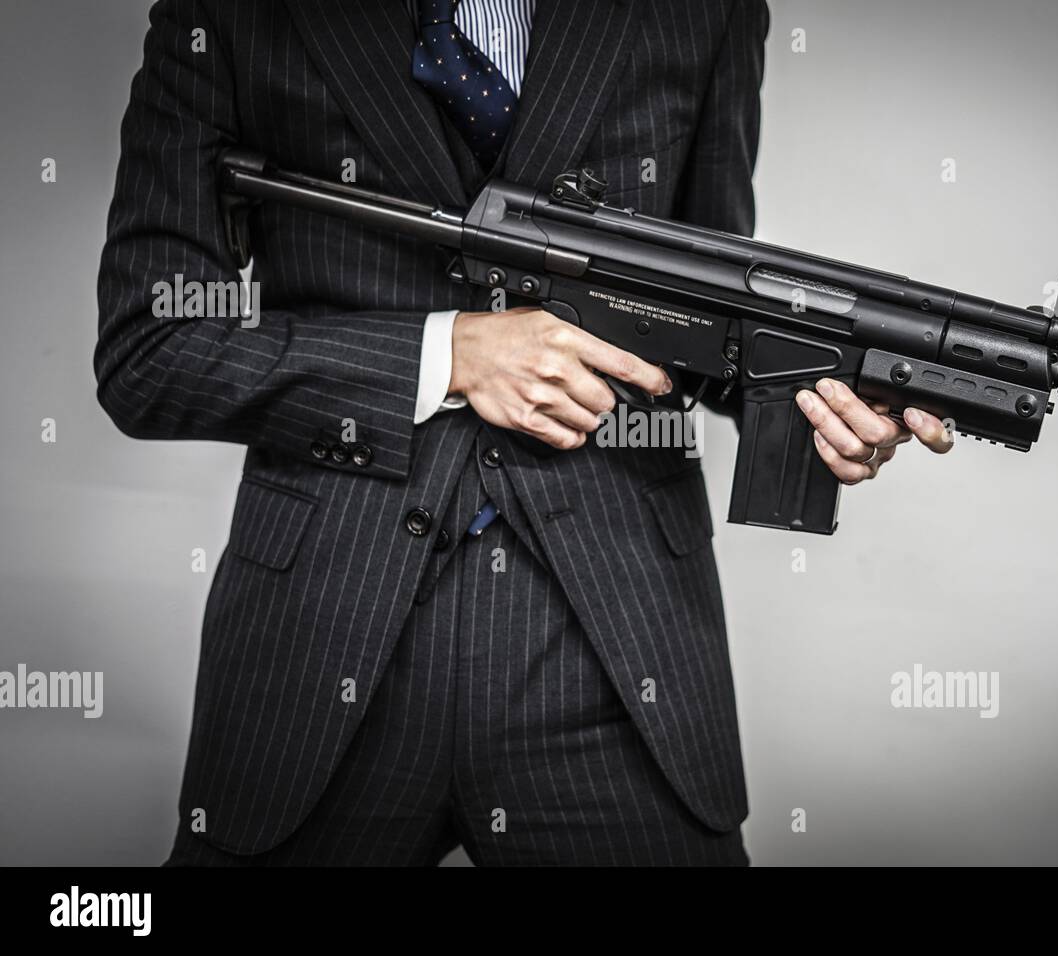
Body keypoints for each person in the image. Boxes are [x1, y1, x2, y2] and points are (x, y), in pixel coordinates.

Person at [95, 0, 951, 866]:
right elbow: (151, 348)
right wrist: (447, 355)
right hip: (321, 635)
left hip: (618, 640)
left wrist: (824, 388)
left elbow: (709, 314)